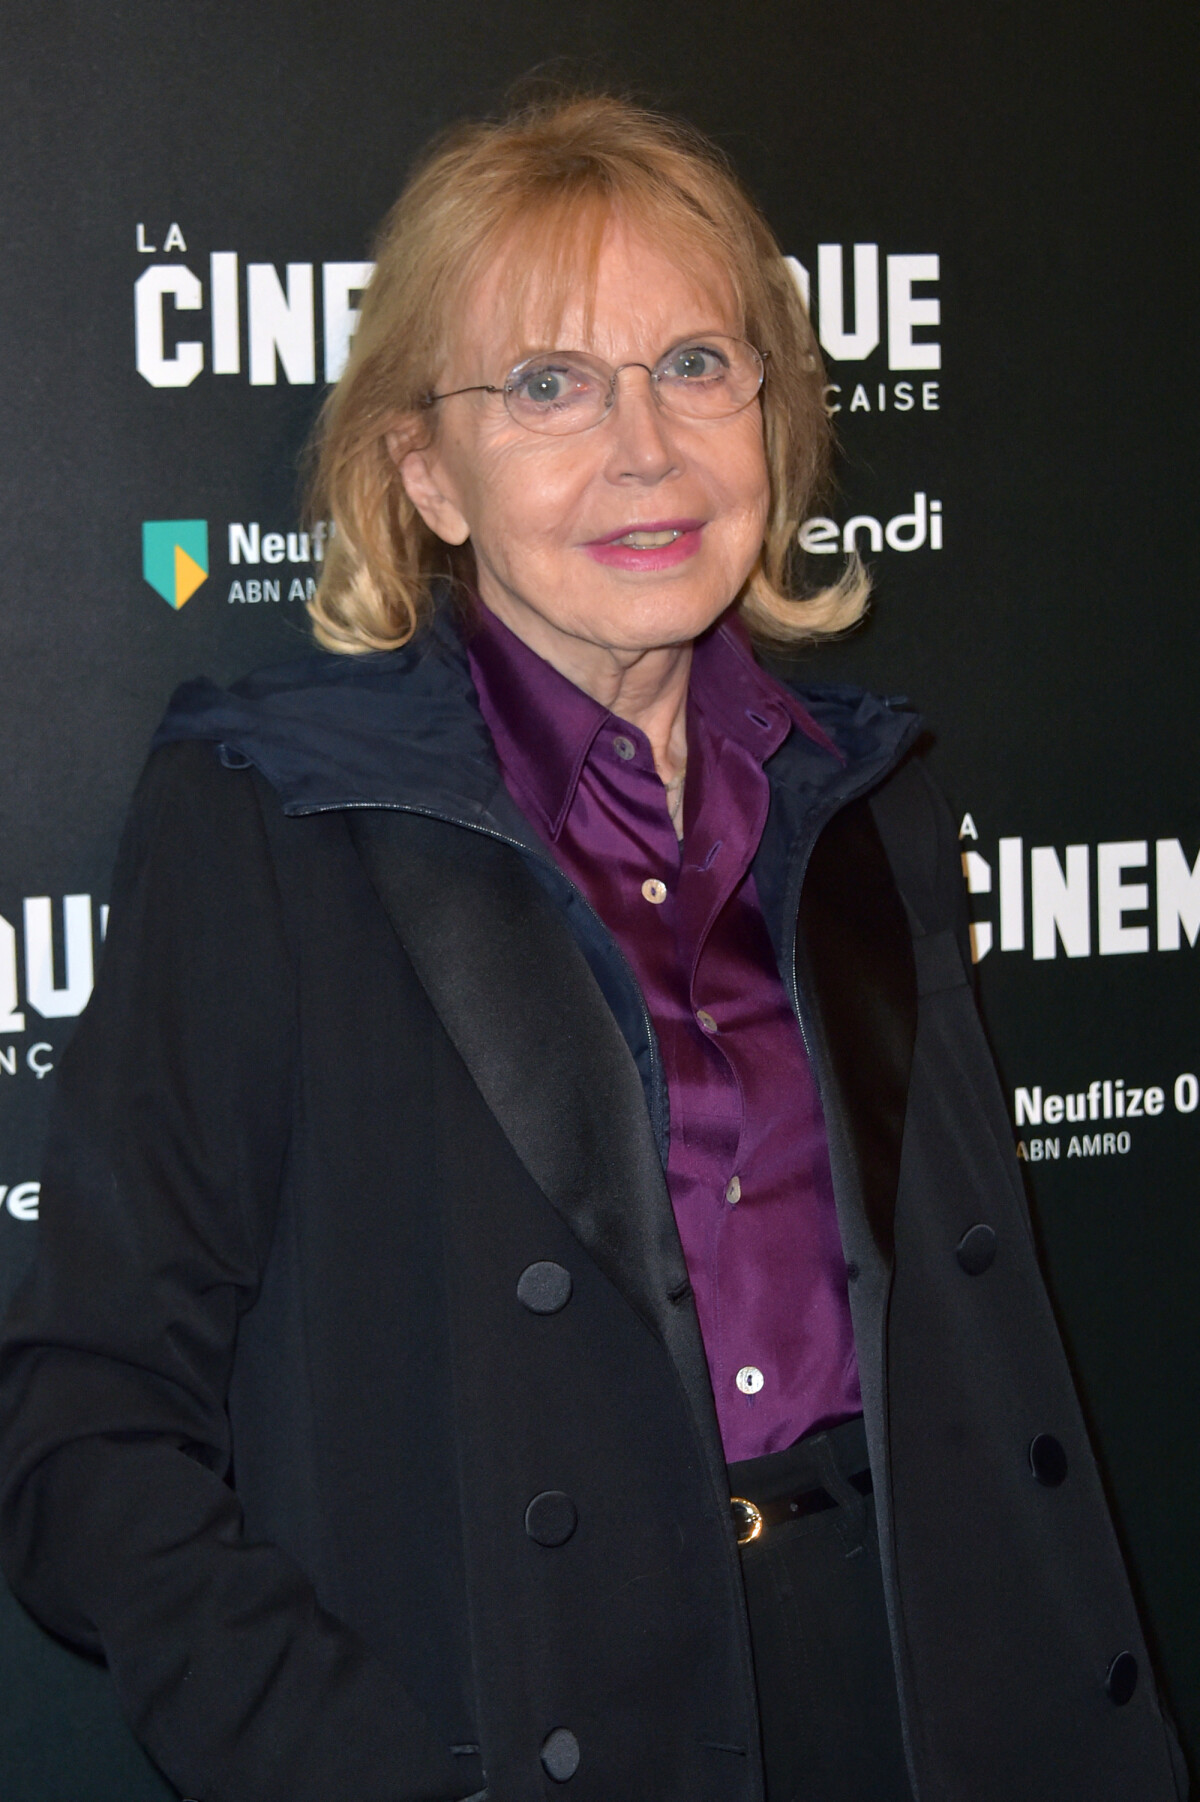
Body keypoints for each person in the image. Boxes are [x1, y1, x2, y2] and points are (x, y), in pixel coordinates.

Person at [0, 93, 1187, 1802]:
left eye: (698, 365)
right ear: (425, 469)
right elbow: (83, 1419)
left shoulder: (861, 799)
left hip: (928, 1693)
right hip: (538, 1713)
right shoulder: (275, 819)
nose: (646, 446)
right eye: (549, 385)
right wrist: (345, 1762)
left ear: (769, 417)